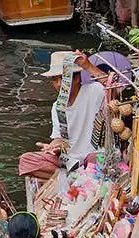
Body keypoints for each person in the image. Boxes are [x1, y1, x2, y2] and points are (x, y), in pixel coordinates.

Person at [19, 51, 108, 179]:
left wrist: (88, 66)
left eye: (63, 78)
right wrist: (52, 147)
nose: (59, 84)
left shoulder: (93, 91)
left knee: (96, 159)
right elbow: (59, 138)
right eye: (55, 79)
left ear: (77, 78)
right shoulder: (57, 106)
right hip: (69, 160)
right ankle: (73, 177)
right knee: (26, 160)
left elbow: (114, 87)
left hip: (92, 156)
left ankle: (72, 176)